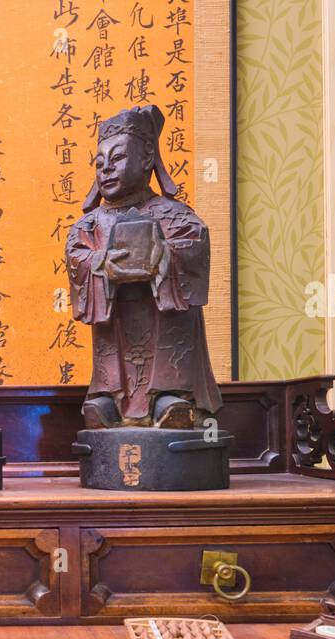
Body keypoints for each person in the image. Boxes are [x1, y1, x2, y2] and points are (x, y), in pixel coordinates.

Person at [65, 105, 222, 429]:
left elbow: (194, 247)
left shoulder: (174, 214)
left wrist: (162, 256)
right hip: (117, 318)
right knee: (110, 354)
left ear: (146, 158)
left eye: (117, 158)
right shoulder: (91, 223)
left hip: (161, 319)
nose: (106, 169)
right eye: (99, 163)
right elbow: (76, 255)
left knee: (173, 322)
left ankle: (170, 395)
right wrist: (100, 263)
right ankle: (110, 398)